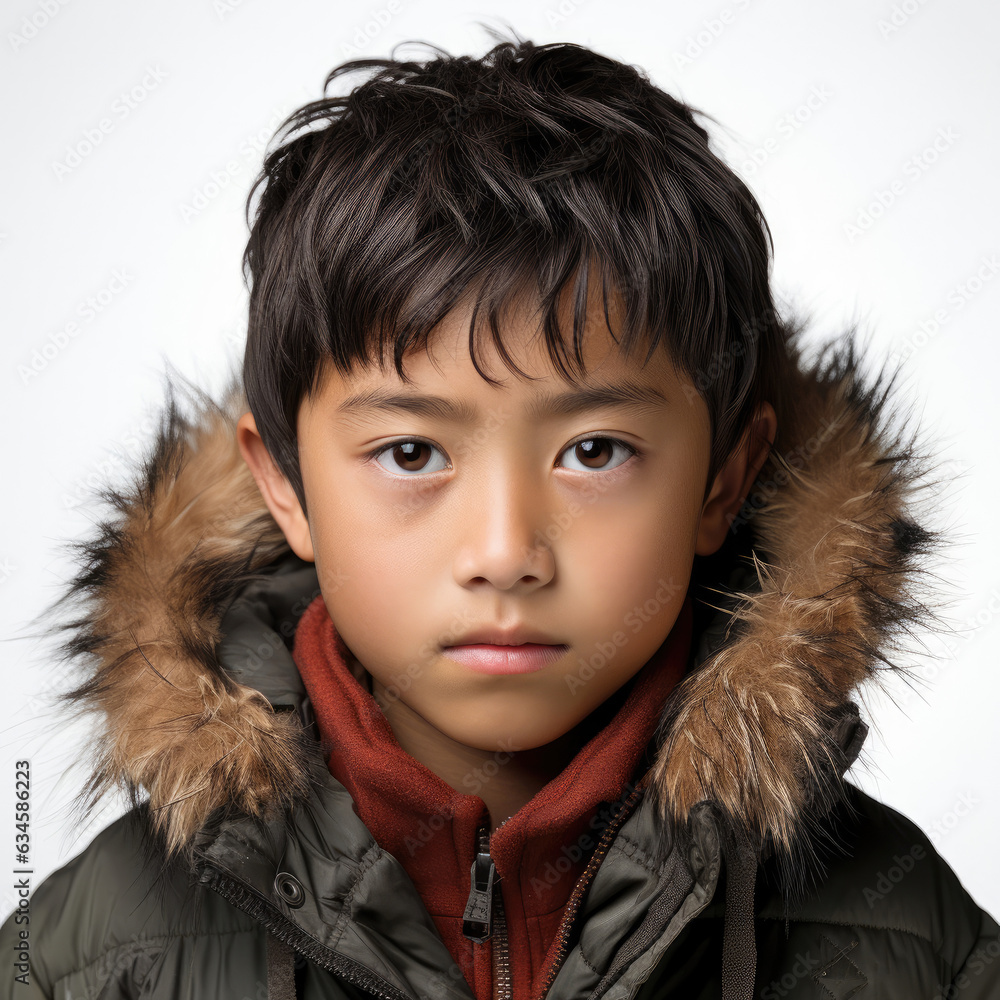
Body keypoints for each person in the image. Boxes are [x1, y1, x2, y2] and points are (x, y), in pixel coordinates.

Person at [2, 32, 997, 1000]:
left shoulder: (914, 946)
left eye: (593, 452)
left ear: (724, 482)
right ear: (286, 489)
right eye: (411, 454)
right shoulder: (83, 960)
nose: (504, 552)